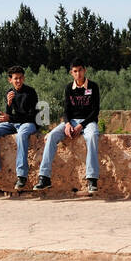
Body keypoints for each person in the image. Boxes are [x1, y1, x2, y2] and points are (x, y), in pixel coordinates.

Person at [35, 59, 100, 194]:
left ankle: (92, 179)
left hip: (88, 123)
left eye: (80, 70)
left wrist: (81, 125)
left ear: (84, 70)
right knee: (52, 135)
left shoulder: (93, 87)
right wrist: (67, 124)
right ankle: (44, 177)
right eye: (75, 71)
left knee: (93, 136)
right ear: (71, 73)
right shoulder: (69, 88)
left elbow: (95, 112)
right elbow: (66, 110)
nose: (78, 74)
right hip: (72, 122)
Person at [0, 67, 40, 189]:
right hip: (14, 123)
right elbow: (10, 113)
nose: (18, 81)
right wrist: (8, 105)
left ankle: (22, 176)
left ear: (23, 78)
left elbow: (31, 116)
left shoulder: (31, 92)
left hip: (29, 123)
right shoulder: (10, 92)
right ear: (10, 80)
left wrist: (10, 118)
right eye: (15, 78)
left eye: (20, 78)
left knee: (21, 135)